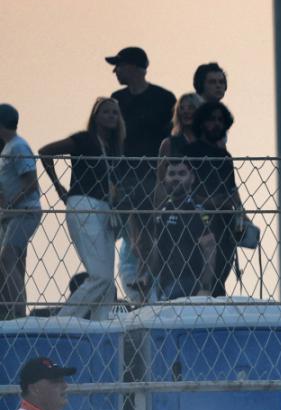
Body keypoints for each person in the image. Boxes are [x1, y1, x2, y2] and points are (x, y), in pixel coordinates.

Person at [39, 98, 124, 318]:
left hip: (105, 209)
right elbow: (46, 151)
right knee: (101, 277)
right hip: (84, 203)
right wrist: (59, 188)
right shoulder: (85, 140)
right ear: (96, 116)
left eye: (115, 113)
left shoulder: (112, 149)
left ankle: (100, 328)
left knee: (106, 282)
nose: (111, 116)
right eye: (106, 112)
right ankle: (62, 322)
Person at [187, 100, 246, 296]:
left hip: (224, 222)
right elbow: (184, 188)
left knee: (220, 276)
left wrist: (241, 215)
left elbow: (231, 189)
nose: (216, 124)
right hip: (196, 221)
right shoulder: (191, 152)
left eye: (220, 120)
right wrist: (209, 201)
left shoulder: (225, 157)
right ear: (201, 123)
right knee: (199, 277)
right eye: (211, 119)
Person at [106, 47, 177, 211]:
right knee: (126, 230)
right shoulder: (117, 99)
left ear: (132, 67)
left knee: (156, 226)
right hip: (123, 176)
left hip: (155, 176)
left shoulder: (164, 98)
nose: (115, 71)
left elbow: (173, 136)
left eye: (119, 65)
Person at [143, 157, 214, 300]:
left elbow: (209, 246)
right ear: (164, 178)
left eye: (182, 174)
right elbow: (158, 249)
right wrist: (148, 277)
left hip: (188, 283)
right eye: (172, 174)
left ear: (192, 178)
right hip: (164, 283)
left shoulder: (194, 208)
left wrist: (205, 287)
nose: (176, 178)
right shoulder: (164, 209)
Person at [0, 104, 42, 319]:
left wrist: (10, 203)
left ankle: (17, 310)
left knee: (8, 255)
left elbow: (30, 182)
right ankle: (12, 308)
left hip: (25, 211)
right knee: (14, 259)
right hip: (14, 213)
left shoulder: (18, 147)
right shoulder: (8, 147)